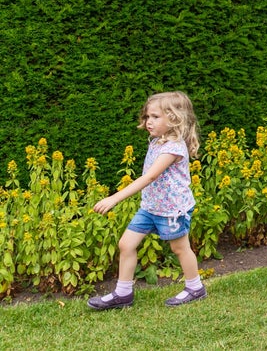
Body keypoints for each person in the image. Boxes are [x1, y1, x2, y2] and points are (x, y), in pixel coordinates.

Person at [88, 91, 206, 309]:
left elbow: (150, 176)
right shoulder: (157, 141)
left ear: (174, 118)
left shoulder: (173, 147)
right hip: (150, 208)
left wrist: (115, 198)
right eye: (147, 117)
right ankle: (123, 294)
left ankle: (195, 287)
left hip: (172, 210)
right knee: (126, 244)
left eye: (155, 117)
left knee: (180, 248)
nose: (148, 122)